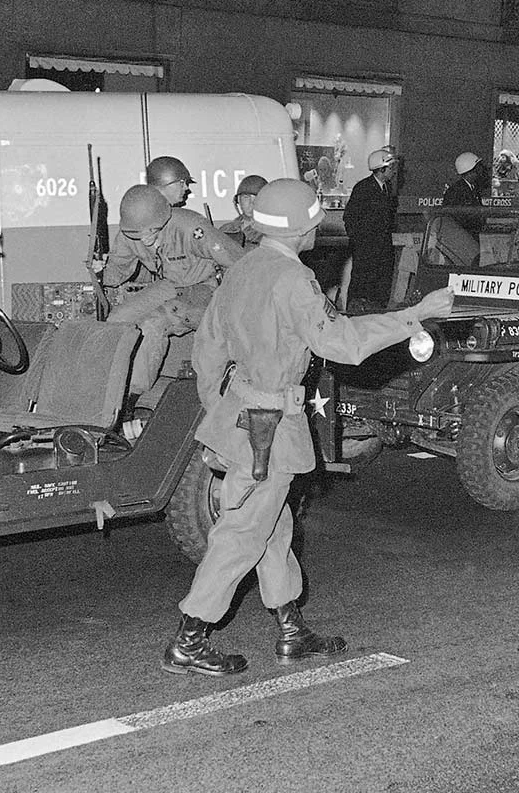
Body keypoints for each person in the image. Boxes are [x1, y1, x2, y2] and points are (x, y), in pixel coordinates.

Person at [164, 179, 456, 677]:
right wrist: (415, 316)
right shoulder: (294, 279)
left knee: (273, 527)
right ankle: (188, 640)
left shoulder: (241, 268)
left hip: (241, 419)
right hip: (269, 427)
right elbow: (341, 342)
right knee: (242, 532)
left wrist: (221, 412)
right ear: (302, 228)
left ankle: (291, 631)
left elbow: (208, 348)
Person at [104, 184, 244, 406]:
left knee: (153, 324)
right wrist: (101, 273)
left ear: (162, 220)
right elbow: (117, 269)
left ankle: (131, 398)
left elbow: (239, 261)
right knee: (116, 320)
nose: (144, 239)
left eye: (151, 231)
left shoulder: (190, 228)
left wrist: (231, 301)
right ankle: (109, 388)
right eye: (137, 234)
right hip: (169, 285)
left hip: (204, 285)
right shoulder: (129, 233)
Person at [343, 147, 401, 307]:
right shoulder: (363, 188)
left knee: (380, 288)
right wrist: (362, 244)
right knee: (362, 287)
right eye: (390, 167)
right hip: (367, 251)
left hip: (382, 250)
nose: (394, 171)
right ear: (381, 169)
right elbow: (350, 218)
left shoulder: (387, 188)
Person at [221, 174, 268, 248]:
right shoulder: (227, 230)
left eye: (257, 198)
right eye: (246, 197)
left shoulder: (270, 233)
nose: (251, 203)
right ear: (238, 200)